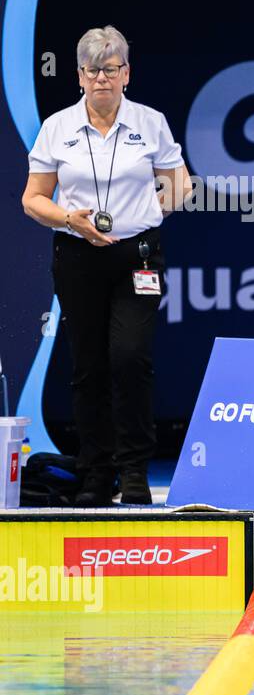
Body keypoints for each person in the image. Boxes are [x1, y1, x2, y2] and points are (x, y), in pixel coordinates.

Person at [21, 26, 193, 506]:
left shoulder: (150, 122)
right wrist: (69, 219)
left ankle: (133, 470)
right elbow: (33, 199)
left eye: (111, 68)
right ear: (79, 76)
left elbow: (181, 183)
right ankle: (96, 474)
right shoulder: (57, 127)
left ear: (126, 74)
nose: (102, 78)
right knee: (88, 367)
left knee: (132, 358)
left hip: (135, 256)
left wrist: (155, 213)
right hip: (77, 255)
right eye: (93, 69)